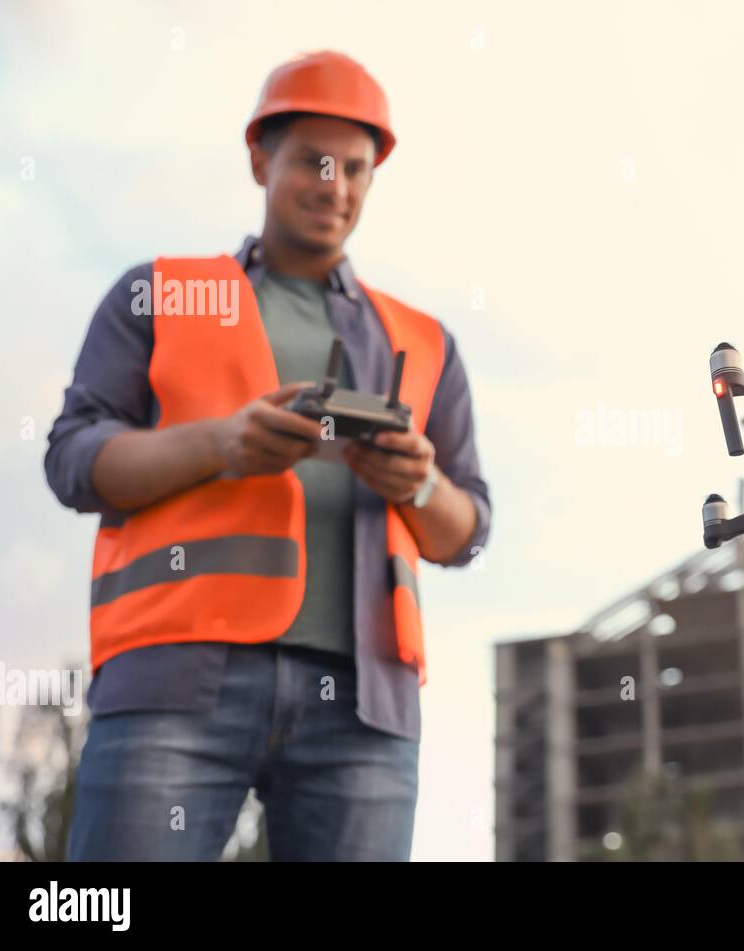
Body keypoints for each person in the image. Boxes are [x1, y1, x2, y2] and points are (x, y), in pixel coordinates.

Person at [44, 50, 491, 860]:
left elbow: (467, 529)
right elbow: (74, 460)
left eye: (356, 169)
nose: (337, 186)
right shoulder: (159, 295)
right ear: (259, 158)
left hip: (365, 704)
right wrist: (221, 444)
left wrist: (418, 482)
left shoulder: (423, 342)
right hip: (173, 681)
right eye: (315, 163)